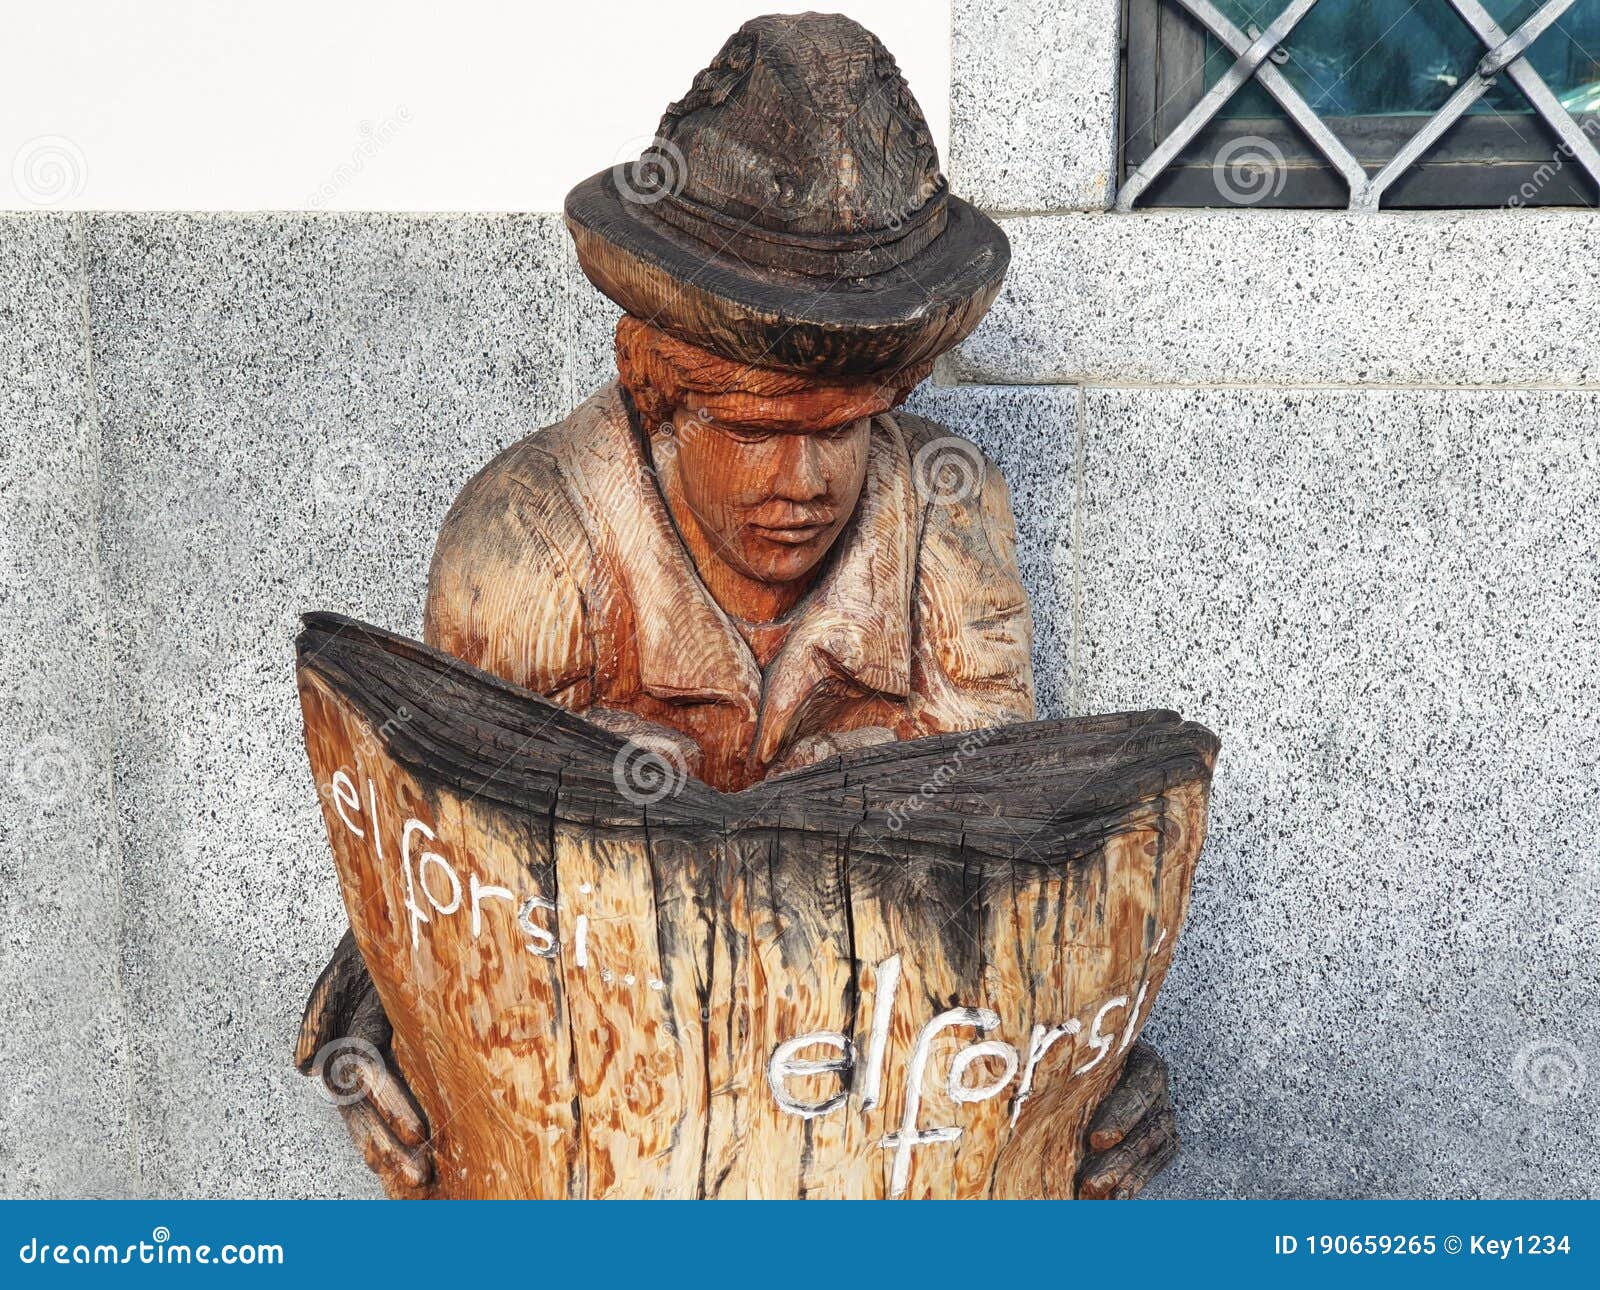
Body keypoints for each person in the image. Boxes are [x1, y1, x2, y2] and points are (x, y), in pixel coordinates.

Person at [298, 11, 1176, 1199]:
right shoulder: (528, 544)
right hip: (600, 1133)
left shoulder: (942, 519)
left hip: (868, 1120)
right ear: (660, 396)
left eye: (843, 432)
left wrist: (1079, 1052)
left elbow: (1001, 851)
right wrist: (385, 1000)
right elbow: (456, 854)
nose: (802, 486)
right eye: (757, 433)